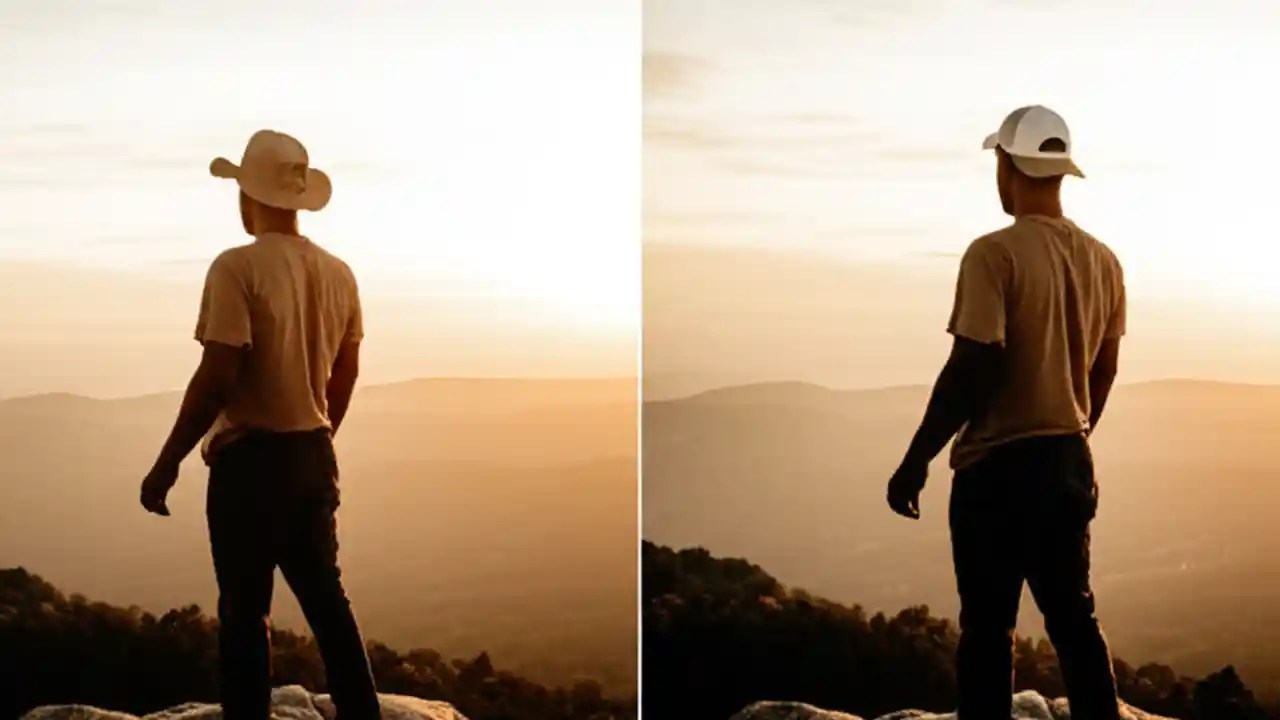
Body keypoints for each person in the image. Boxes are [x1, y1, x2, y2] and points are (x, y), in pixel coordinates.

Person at [885, 106, 1126, 719]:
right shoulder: (1105, 261)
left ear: (1009, 165)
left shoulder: (993, 254)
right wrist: (1072, 433)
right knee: (1075, 621)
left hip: (997, 470)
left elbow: (974, 365)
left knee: (988, 631)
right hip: (1070, 460)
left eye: (998, 162)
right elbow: (1105, 368)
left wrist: (916, 460)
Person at [138, 130, 381, 720]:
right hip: (314, 453)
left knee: (245, 613)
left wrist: (168, 460)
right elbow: (346, 372)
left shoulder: (236, 267)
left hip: (249, 462)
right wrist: (318, 431)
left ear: (249, 197)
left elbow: (219, 371)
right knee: (328, 602)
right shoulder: (340, 273)